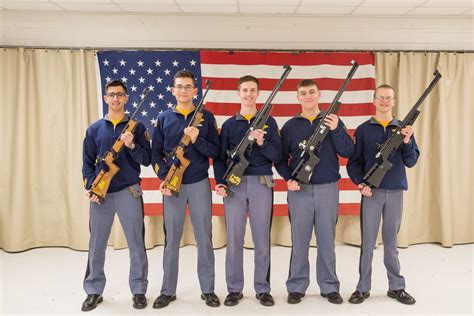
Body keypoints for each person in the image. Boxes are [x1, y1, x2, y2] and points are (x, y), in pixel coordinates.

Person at [275, 79, 354, 305]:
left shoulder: (332, 121)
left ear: (319, 95)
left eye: (312, 92)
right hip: (299, 190)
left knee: (327, 240)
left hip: (328, 188)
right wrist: (289, 178)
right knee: (299, 240)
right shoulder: (290, 126)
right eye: (303, 93)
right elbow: (280, 159)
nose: (308, 96)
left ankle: (329, 286)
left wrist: (336, 128)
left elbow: (348, 151)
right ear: (298, 97)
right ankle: (297, 286)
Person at [151, 70, 221, 308]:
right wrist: (165, 177)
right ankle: (167, 291)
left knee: (204, 237)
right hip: (173, 187)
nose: (183, 91)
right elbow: (155, 154)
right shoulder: (163, 118)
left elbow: (216, 151)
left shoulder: (206, 117)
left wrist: (197, 139)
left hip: (200, 183)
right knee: (172, 239)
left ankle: (208, 289)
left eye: (188, 86)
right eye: (179, 86)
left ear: (195, 91)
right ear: (173, 91)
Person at [81, 79, 150, 311]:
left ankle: (139, 289)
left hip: (129, 191)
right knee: (96, 244)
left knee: (136, 243)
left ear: (126, 98)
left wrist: (132, 146)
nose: (116, 98)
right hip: (101, 194)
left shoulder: (137, 127)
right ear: (105, 98)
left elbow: (147, 160)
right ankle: (93, 290)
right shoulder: (94, 129)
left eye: (120, 94)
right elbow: (87, 164)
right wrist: (92, 186)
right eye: (112, 94)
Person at [347, 84, 418, 305]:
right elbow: (354, 163)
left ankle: (396, 287)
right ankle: (362, 288)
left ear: (394, 102)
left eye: (389, 98)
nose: (385, 101)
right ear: (374, 101)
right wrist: (361, 184)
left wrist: (406, 141)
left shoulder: (404, 129)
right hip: (372, 193)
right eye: (381, 98)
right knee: (367, 242)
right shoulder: (363, 129)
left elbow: (411, 161)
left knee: (391, 243)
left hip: (395, 191)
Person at [214, 75, 282, 307]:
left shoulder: (269, 123)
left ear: (258, 93)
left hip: (262, 181)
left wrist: (263, 143)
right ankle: (234, 289)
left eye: (253, 90)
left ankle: (262, 288)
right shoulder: (231, 125)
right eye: (245, 90)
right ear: (238, 93)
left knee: (262, 238)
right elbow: (220, 158)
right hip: (234, 183)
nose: (249, 94)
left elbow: (278, 156)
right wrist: (221, 182)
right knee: (234, 238)